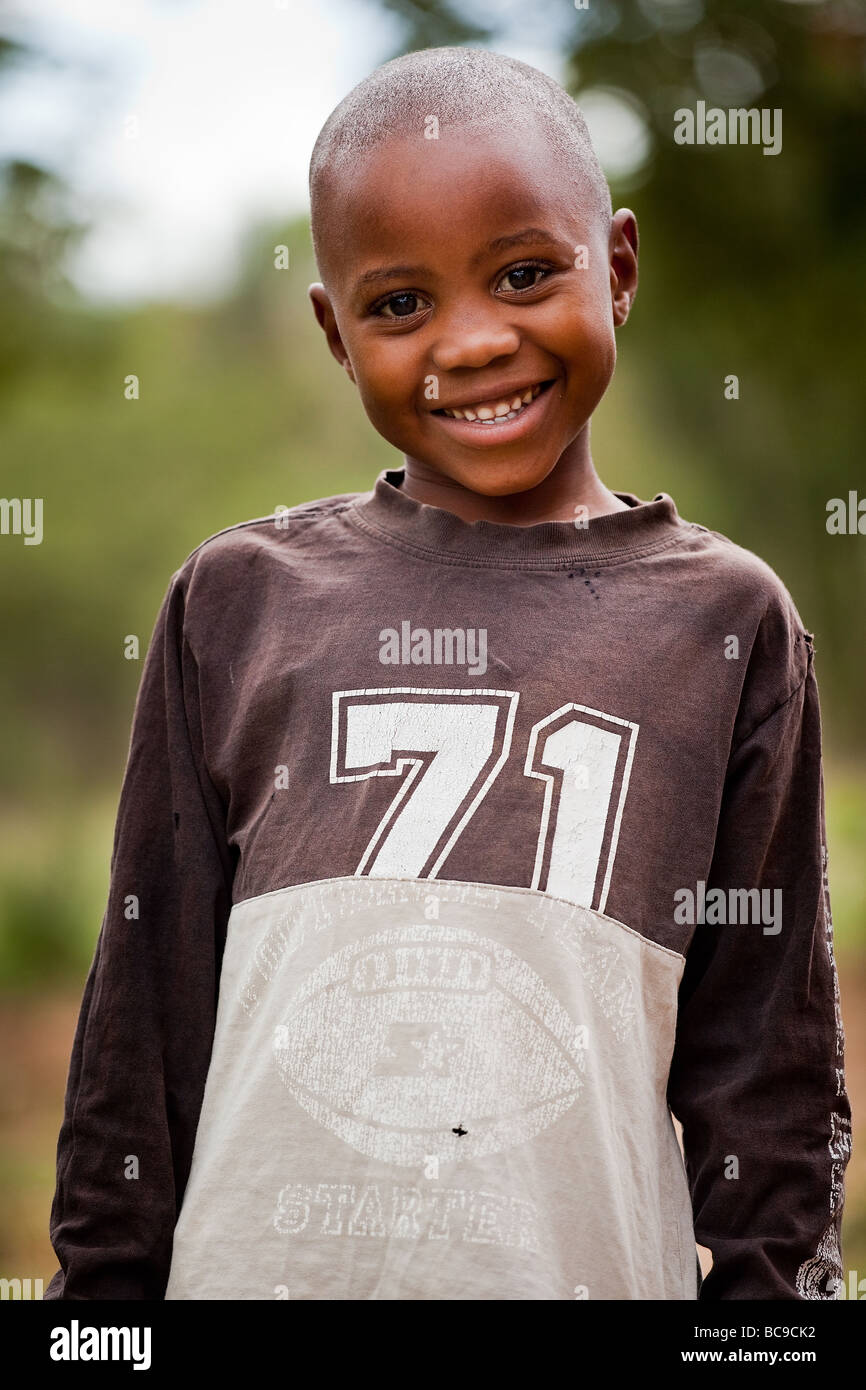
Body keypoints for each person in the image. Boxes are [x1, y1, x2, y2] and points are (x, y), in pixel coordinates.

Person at [45, 46, 850, 1301]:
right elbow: (140, 1030)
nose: (472, 343)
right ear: (332, 329)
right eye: (399, 305)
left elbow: (769, 1073)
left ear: (617, 268)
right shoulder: (238, 599)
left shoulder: (724, 623)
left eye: (524, 274)